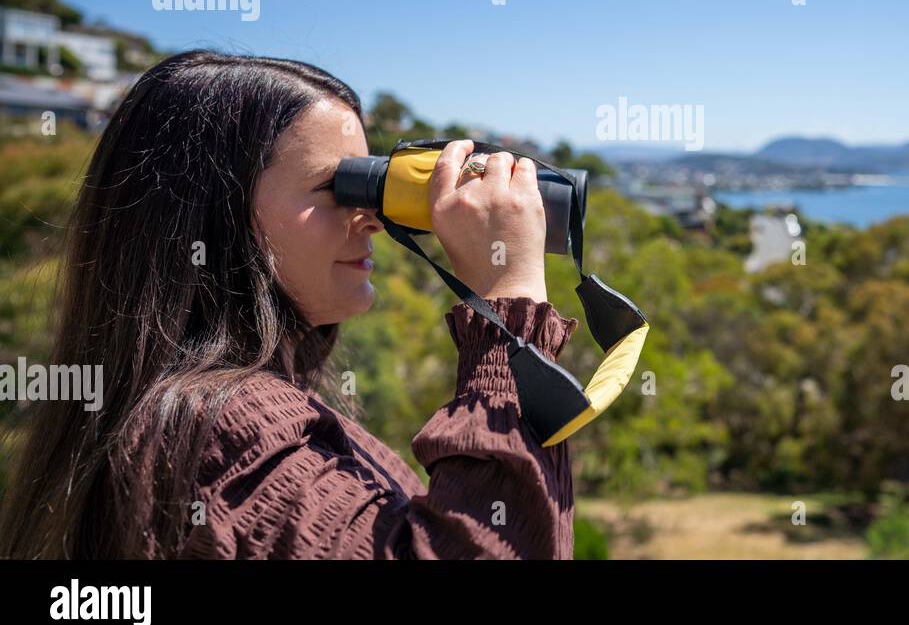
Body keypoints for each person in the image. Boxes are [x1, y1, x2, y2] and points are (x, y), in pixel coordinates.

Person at [0, 50, 577, 559]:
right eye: (337, 188)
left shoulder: (230, 417)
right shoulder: (216, 432)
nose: (372, 218)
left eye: (368, 183)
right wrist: (508, 301)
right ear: (215, 216)